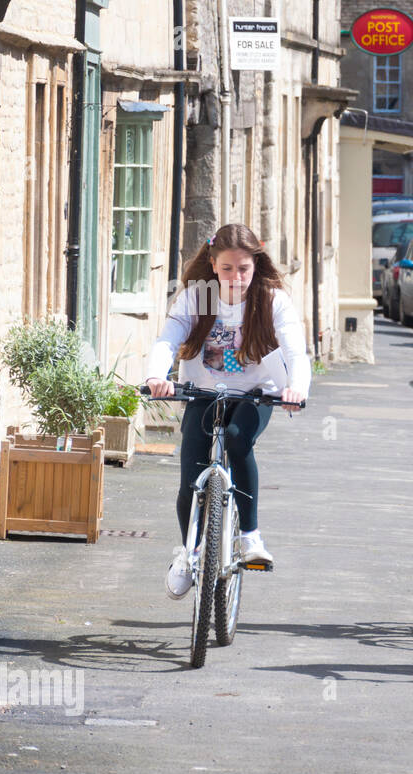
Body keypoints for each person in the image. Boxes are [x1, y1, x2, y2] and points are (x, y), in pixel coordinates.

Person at [144, 223, 310, 598]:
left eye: (244, 269)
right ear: (213, 265)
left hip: (256, 393)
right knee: (191, 476)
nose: (236, 277)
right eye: (227, 269)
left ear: (256, 264)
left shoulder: (269, 300)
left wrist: (296, 388)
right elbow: (168, 339)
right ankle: (189, 553)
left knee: (237, 440)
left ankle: (250, 535)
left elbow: (295, 350)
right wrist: (157, 375)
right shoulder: (198, 297)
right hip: (203, 392)